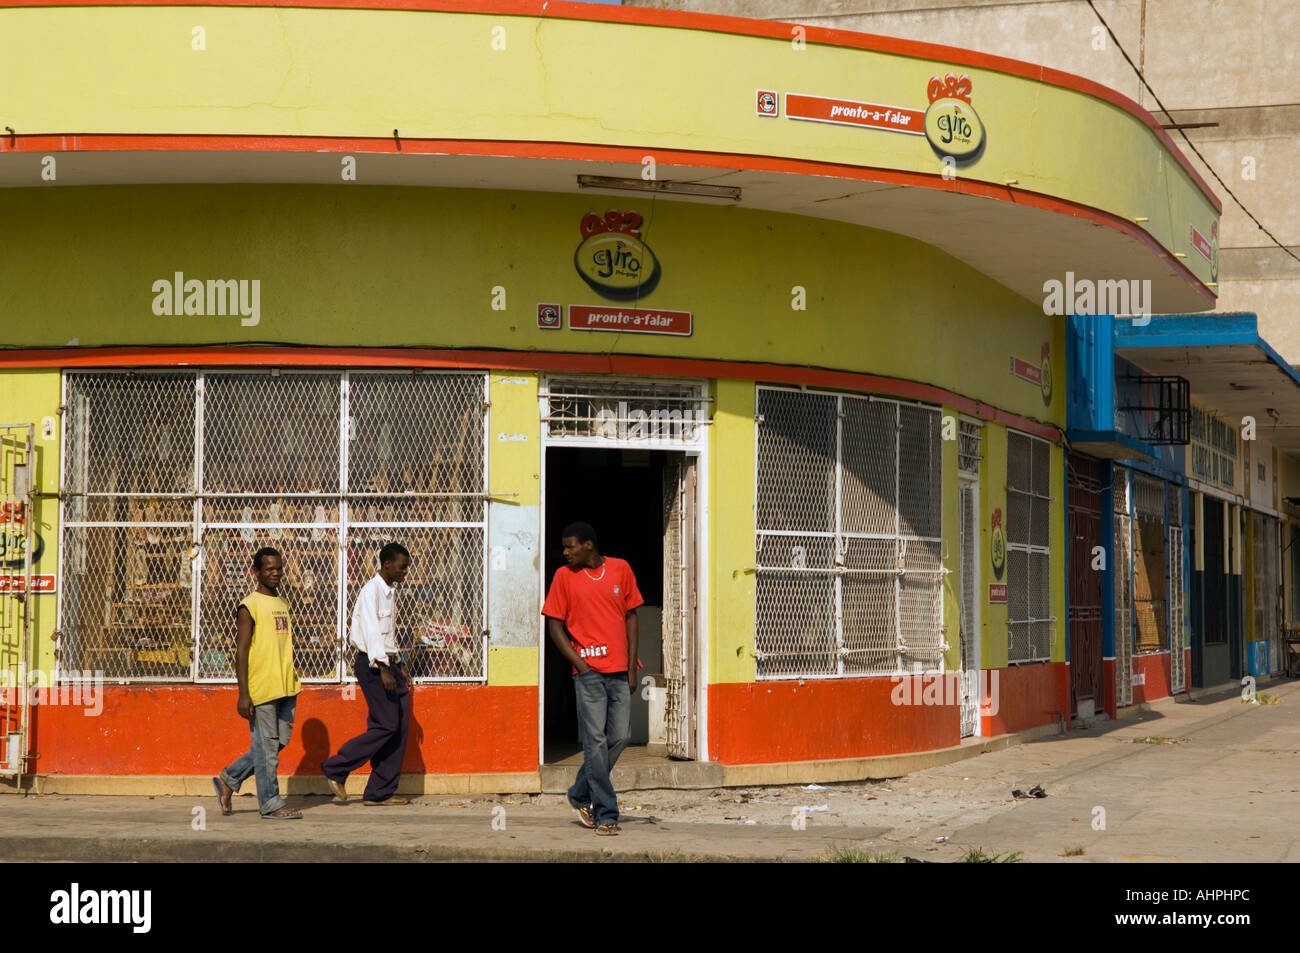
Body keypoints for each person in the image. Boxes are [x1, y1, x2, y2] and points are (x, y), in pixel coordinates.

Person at [542, 522, 643, 836]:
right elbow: (554, 625)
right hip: (588, 674)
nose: (566, 552)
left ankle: (578, 792)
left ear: (589, 545)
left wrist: (631, 666)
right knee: (595, 742)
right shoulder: (563, 577)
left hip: (618, 669)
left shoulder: (621, 569)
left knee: (620, 736)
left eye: (570, 546)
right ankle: (606, 813)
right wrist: (580, 665)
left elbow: (631, 617)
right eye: (564, 547)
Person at [212, 547, 303, 820]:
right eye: (269, 569)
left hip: (286, 685)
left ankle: (229, 779)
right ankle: (271, 803)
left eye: (278, 569)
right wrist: (243, 694)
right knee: (267, 750)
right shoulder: (248, 605)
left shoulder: (284, 603)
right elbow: (241, 651)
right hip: (261, 688)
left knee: (275, 744)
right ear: (256, 572)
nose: (275, 574)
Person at [321, 542, 414, 806]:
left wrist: (398, 662)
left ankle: (380, 791)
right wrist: (383, 667)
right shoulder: (371, 591)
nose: (405, 571)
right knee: (386, 724)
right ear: (387, 565)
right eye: (402, 566)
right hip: (373, 665)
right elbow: (372, 632)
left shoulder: (390, 592)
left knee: (399, 726)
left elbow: (387, 634)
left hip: (387, 662)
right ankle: (337, 768)